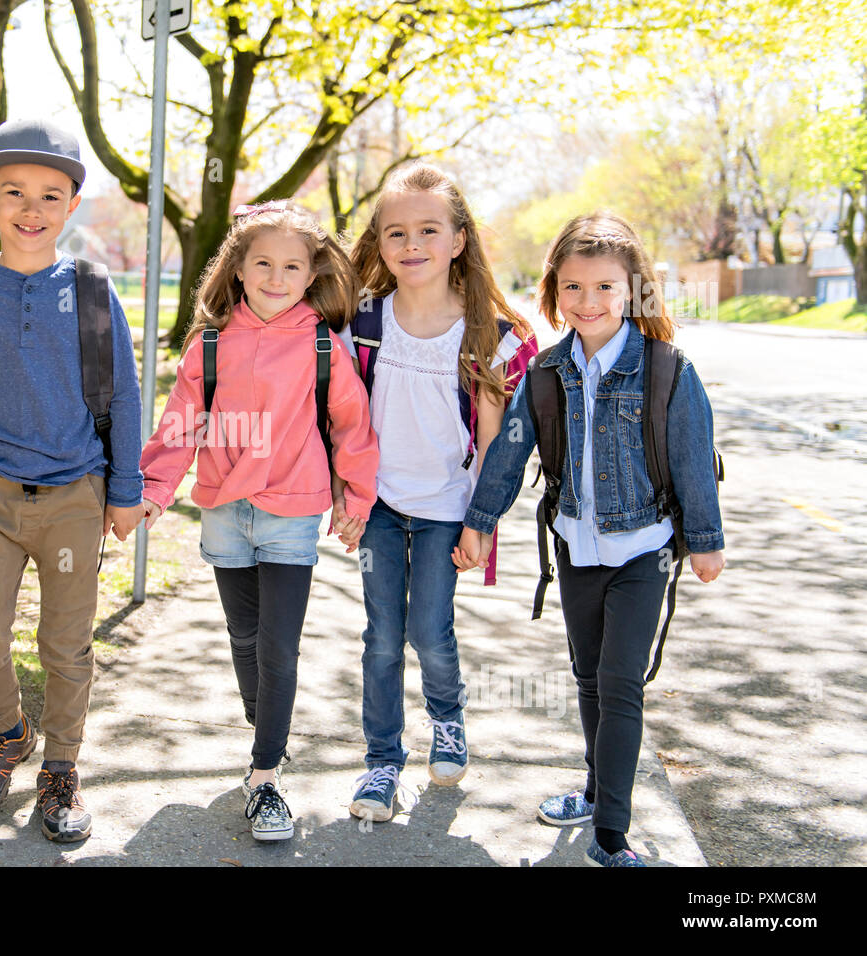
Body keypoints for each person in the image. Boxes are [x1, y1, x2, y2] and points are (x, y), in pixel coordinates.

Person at [454, 212, 725, 867]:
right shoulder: (548, 372)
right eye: (572, 288)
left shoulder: (665, 369)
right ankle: (597, 786)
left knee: (620, 683)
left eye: (605, 287)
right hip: (575, 549)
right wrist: (481, 521)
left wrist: (706, 537)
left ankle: (611, 835)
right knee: (588, 679)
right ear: (553, 292)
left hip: (645, 550)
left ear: (634, 292)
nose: (587, 302)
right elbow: (510, 453)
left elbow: (693, 453)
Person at [0, 119, 146, 842]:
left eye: (50, 194)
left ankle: (61, 769)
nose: (31, 207)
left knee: (66, 642)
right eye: (14, 191)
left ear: (72, 204)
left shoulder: (88, 288)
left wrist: (126, 487)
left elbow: (128, 392)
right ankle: (7, 732)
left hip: (75, 493)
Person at [138, 201, 379, 841]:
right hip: (222, 509)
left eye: (292, 266)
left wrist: (356, 499)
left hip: (291, 514)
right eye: (263, 263)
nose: (277, 277)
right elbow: (181, 423)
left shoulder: (324, 344)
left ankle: (265, 776)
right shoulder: (210, 343)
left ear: (311, 274)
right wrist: (155, 491)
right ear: (239, 269)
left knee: (279, 646)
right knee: (244, 638)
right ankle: (266, 727)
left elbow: (353, 428)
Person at [339, 161, 537, 823]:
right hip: (380, 508)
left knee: (429, 630)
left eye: (429, 229)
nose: (411, 243)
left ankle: (448, 722)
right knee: (380, 637)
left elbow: (495, 443)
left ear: (459, 239)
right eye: (395, 232)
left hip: (447, 511)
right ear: (380, 242)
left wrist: (481, 521)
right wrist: (345, 494)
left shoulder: (486, 337)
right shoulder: (363, 323)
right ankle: (381, 764)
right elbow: (340, 415)